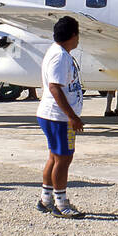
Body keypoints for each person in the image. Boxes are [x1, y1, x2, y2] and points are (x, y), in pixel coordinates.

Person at [36, 15, 85, 218]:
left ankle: (45, 199)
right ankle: (61, 203)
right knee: (64, 159)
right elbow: (54, 88)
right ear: (73, 35)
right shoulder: (59, 56)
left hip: (55, 116)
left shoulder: (60, 53)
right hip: (58, 117)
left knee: (55, 157)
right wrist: (72, 116)